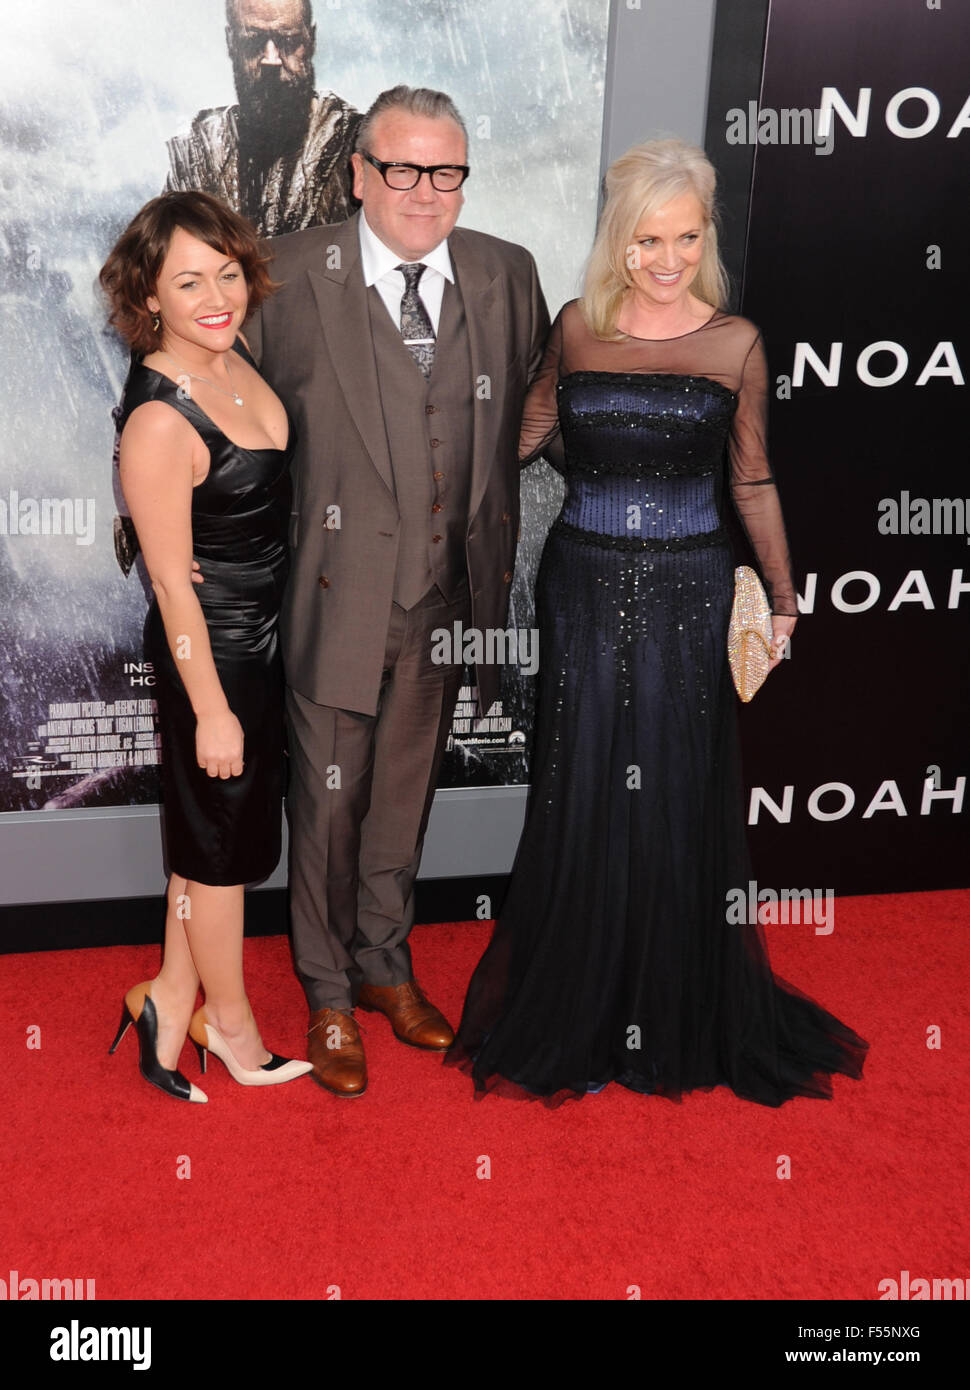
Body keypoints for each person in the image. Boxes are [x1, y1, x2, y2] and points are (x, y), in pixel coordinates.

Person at [447, 138, 869, 1107]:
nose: (667, 258)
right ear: (617, 239)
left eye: (685, 237)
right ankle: (583, 1005)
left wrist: (785, 592)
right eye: (647, 239)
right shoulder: (577, 328)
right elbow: (527, 434)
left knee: (677, 789)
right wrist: (440, 471)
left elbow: (750, 478)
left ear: (704, 236)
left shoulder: (735, 345)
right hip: (584, 585)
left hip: (689, 593)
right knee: (583, 783)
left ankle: (672, 1002)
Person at [243, 85, 550, 1097]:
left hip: (445, 598)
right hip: (333, 592)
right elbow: (223, 422)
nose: (426, 191)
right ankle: (327, 991)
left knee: (403, 794)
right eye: (404, 169)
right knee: (326, 802)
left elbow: (527, 422)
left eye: (447, 171)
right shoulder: (284, 278)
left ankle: (384, 965)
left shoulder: (506, 274)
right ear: (360, 172)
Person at [100, 191, 312, 1100]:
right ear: (149, 295)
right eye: (189, 281)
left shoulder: (233, 359)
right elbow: (170, 583)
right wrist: (213, 709)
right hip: (212, 657)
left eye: (227, 272)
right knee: (221, 856)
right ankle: (230, 1030)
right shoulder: (157, 421)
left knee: (202, 845)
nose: (217, 295)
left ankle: (168, 996)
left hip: (263, 647)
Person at [164, 0, 360, 238]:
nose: (271, 60)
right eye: (254, 42)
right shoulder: (199, 157)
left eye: (287, 41)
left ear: (311, 40)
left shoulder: (357, 147)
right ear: (231, 42)